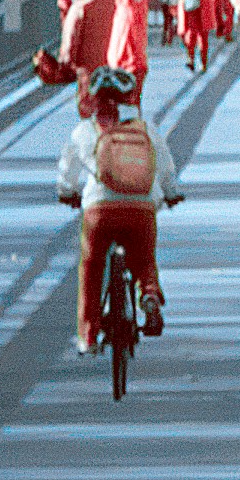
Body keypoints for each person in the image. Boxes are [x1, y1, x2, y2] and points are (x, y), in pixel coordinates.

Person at [56, 64, 175, 353]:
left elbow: (66, 176)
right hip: (141, 208)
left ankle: (89, 336)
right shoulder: (145, 129)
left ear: (94, 99)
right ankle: (148, 292)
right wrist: (171, 194)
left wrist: (68, 193)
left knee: (92, 266)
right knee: (144, 258)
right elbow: (167, 169)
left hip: (100, 210)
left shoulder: (83, 131)